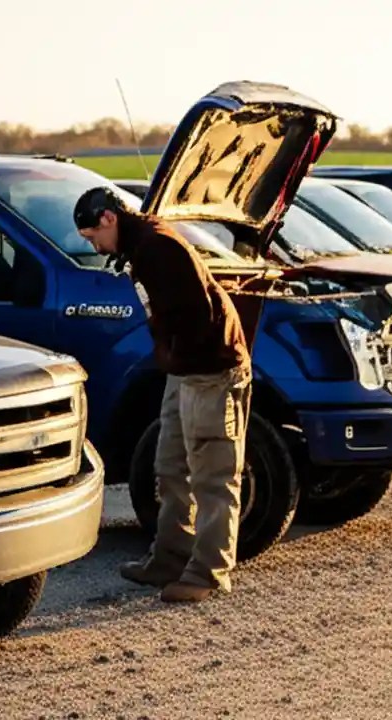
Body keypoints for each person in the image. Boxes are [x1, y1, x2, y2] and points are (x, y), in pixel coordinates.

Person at [73, 186, 252, 603]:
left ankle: (209, 572)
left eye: (91, 236)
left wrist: (179, 359)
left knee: (213, 473)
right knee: (170, 465)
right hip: (185, 371)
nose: (95, 247)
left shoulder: (158, 248)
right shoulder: (141, 248)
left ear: (108, 219)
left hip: (210, 370)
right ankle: (171, 557)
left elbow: (196, 318)